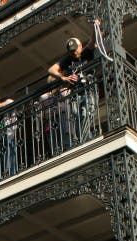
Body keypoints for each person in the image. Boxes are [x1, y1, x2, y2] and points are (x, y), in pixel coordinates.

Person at [47, 19, 101, 149]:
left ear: (80, 46)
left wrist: (95, 27)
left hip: (88, 90)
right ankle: (83, 140)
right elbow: (51, 70)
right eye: (71, 51)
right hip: (75, 94)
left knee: (85, 114)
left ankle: (85, 141)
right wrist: (63, 78)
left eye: (75, 49)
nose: (74, 52)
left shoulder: (86, 53)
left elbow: (92, 42)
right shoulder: (68, 59)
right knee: (76, 117)